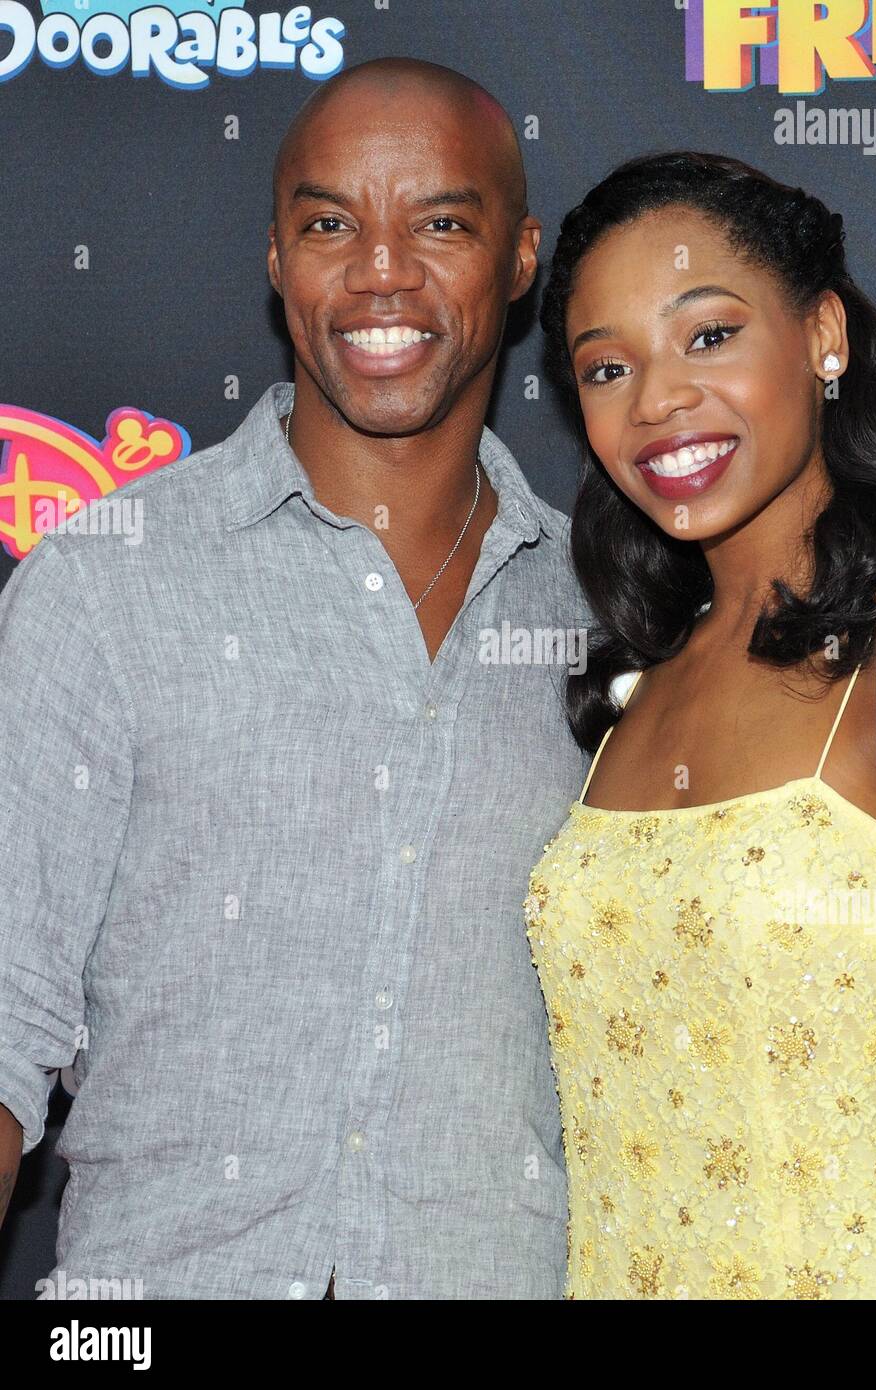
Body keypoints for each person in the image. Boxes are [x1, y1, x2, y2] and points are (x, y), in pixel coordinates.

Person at [0, 58, 592, 1300]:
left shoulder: (607, 622)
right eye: (330, 224)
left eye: (440, 222)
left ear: (523, 256)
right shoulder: (108, 585)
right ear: (276, 258)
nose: (382, 269)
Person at [523, 151, 876, 1300]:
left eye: (708, 335)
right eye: (606, 366)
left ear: (823, 335)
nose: (658, 397)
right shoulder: (629, 677)